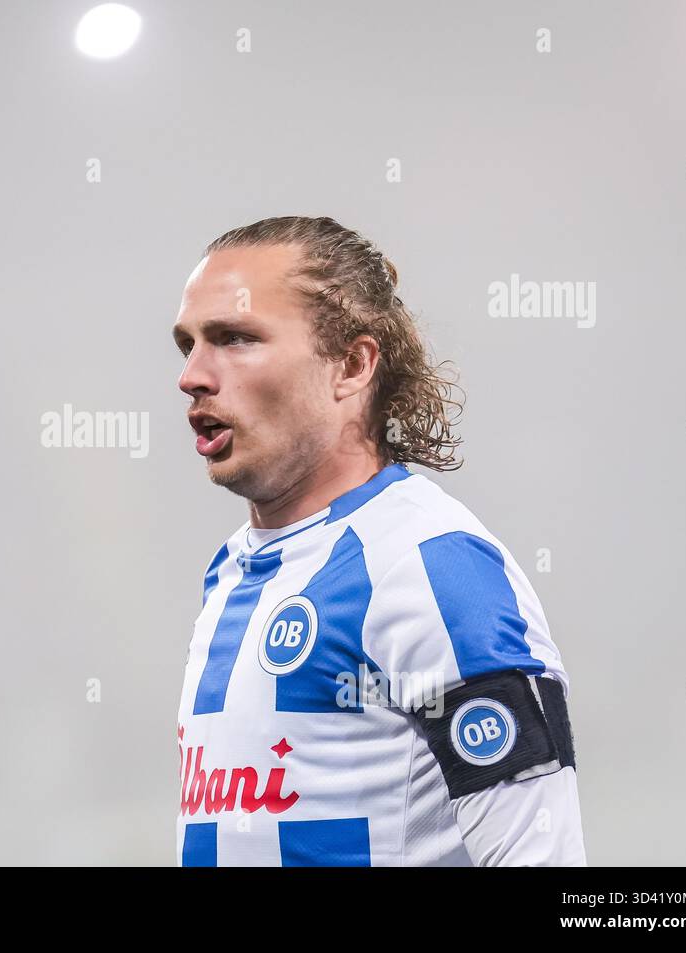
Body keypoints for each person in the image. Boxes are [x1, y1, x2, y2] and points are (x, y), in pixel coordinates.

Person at [172, 216, 585, 866]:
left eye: (234, 338)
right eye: (188, 344)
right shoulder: (230, 572)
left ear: (352, 365)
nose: (192, 375)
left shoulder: (432, 567)